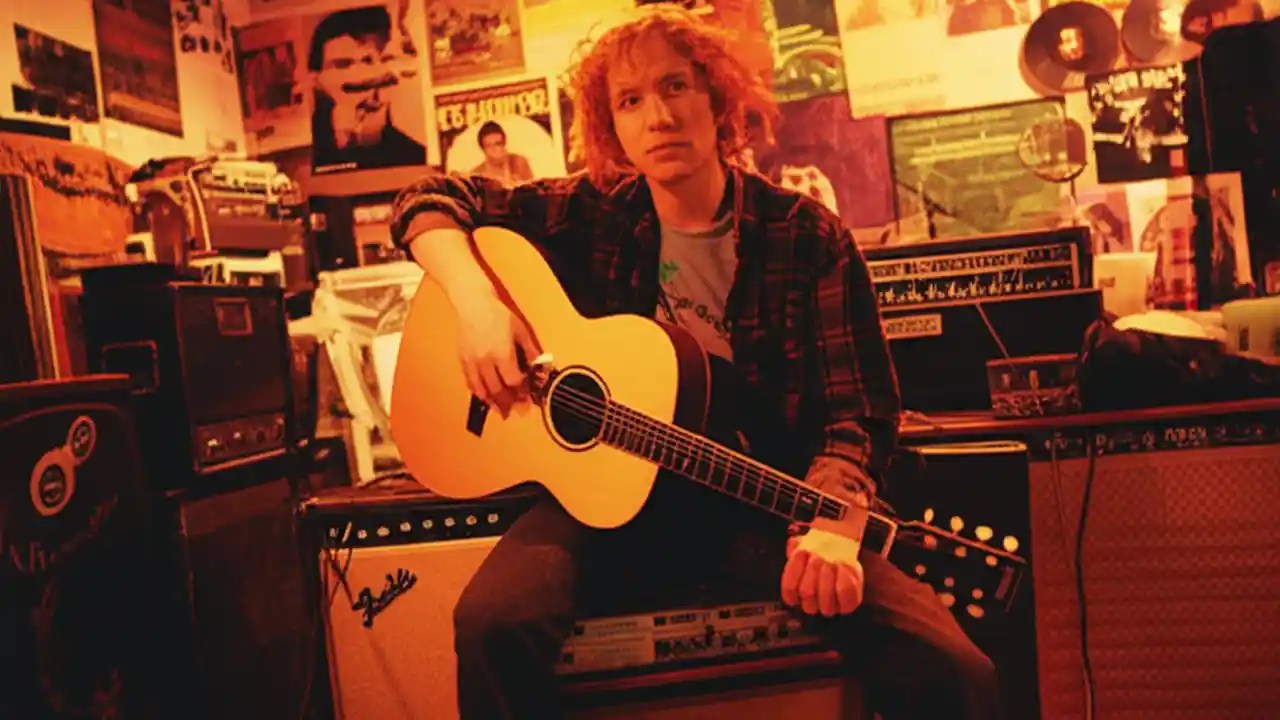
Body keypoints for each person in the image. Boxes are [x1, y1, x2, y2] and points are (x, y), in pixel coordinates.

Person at [388, 5, 1001, 719]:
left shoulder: (805, 237)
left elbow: (856, 412)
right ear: (611, 126)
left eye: (675, 86)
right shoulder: (588, 213)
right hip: (601, 506)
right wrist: (477, 306)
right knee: (492, 625)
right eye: (630, 99)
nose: (658, 115)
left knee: (956, 670)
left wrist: (835, 519)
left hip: (763, 503)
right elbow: (426, 199)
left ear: (718, 100)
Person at [308, 5, 426, 172]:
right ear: (316, 78)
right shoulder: (304, 152)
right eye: (343, 64)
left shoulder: (415, 153)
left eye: (368, 61)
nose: (360, 75)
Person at [470, 120, 535, 186]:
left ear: (504, 143)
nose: (494, 149)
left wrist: (506, 167)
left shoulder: (519, 163)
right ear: (483, 149)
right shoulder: (477, 175)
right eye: (489, 145)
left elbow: (533, 192)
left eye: (498, 144)